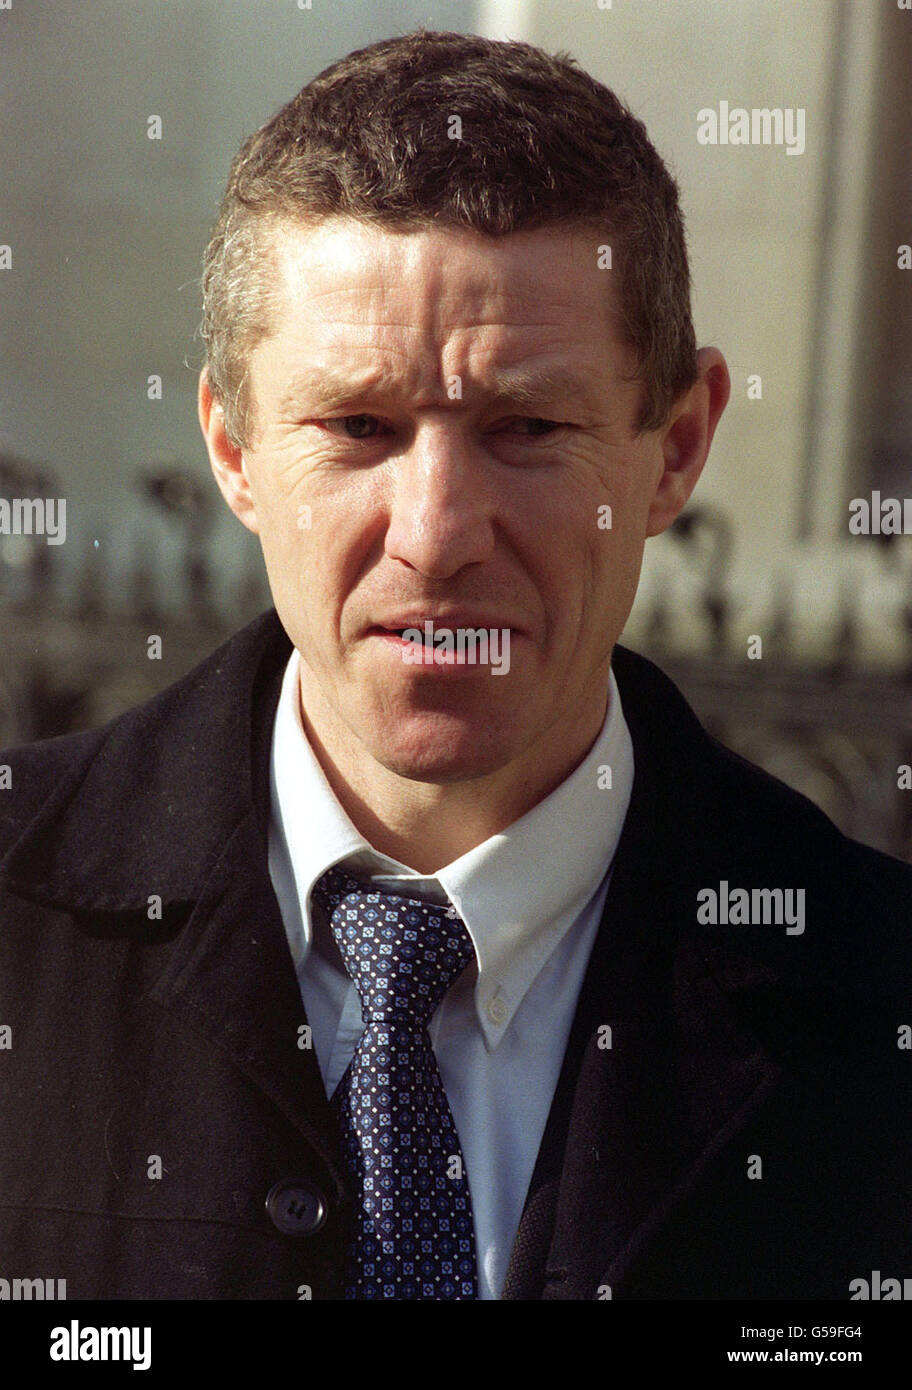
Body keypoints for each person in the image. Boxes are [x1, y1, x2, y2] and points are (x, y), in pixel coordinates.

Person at [1, 28, 909, 1303]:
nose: (435, 535)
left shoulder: (872, 999)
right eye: (358, 426)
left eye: (527, 427)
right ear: (233, 446)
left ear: (678, 445)